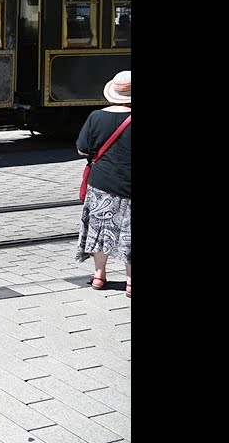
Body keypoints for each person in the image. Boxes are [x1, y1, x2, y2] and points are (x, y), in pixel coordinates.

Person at [75, 70, 131, 298]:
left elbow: (82, 149)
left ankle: (99, 276)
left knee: (99, 230)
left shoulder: (96, 117)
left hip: (102, 184)